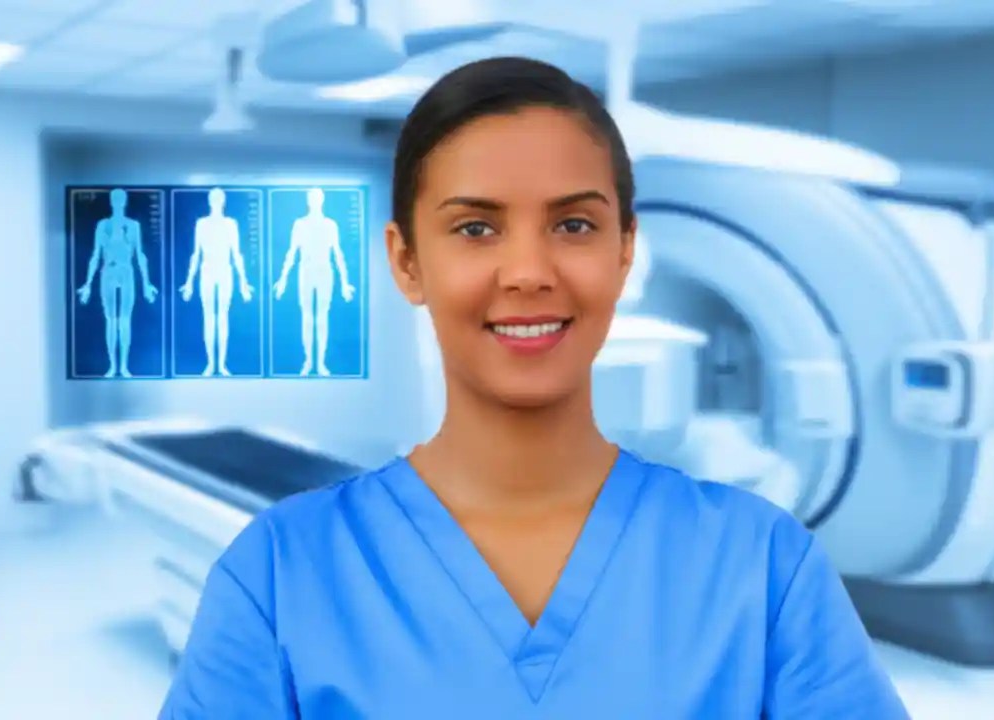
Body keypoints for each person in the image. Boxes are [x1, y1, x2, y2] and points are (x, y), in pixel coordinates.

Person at [159, 57, 910, 719]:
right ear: (406, 261)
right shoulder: (280, 575)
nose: (528, 271)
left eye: (575, 225)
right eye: (476, 229)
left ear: (625, 254)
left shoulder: (764, 567)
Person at [272, 187, 356, 376]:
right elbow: (291, 252)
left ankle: (321, 363)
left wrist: (344, 282)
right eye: (312, 198)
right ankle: (309, 361)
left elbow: (337, 253)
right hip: (306, 272)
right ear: (309, 201)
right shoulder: (300, 224)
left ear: (322, 201)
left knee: (322, 318)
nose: (315, 201)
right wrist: (283, 278)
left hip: (325, 271)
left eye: (317, 198)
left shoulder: (330, 225)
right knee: (308, 318)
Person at [77, 188, 158, 378]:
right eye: (115, 198)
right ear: (112, 201)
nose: (118, 201)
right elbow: (96, 255)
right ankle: (113, 366)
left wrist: (146, 283)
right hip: (109, 272)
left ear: (125, 201)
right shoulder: (103, 225)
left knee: (124, 320)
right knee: (112, 320)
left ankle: (124, 366)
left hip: (126, 271)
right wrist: (88, 283)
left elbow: (140, 255)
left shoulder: (133, 226)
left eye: (121, 198)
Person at [180, 187, 254, 376]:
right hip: (208, 270)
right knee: (209, 318)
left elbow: (237, 254)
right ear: (210, 201)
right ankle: (211, 364)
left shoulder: (230, 224)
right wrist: (189, 281)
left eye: (219, 198)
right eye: (214, 198)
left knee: (221, 317)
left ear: (223, 201)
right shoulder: (202, 224)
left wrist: (243, 282)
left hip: (224, 271)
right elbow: (196, 254)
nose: (216, 201)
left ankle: (220, 364)